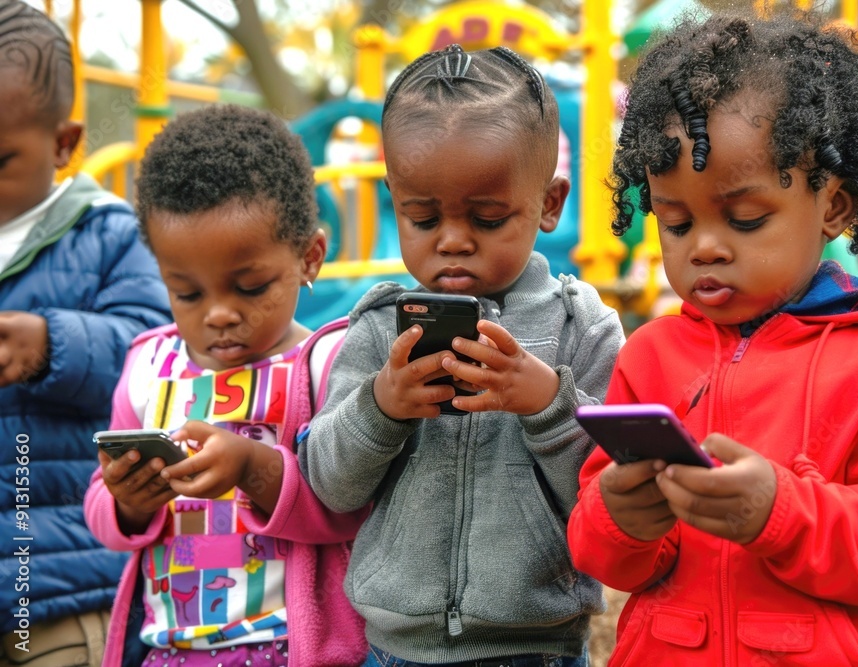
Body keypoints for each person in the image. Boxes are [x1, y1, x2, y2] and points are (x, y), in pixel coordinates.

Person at [566, 10, 858, 667]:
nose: (706, 249)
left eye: (745, 219)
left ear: (833, 207)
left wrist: (780, 511)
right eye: (676, 222)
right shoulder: (650, 356)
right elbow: (602, 551)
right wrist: (621, 518)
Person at [299, 44, 626, 667]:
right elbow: (331, 486)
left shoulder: (583, 329)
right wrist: (379, 408)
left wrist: (549, 406)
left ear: (550, 204)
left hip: (538, 648)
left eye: (487, 217)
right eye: (421, 218)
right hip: (396, 651)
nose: (452, 240)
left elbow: (611, 500)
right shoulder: (376, 328)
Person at [83, 105, 368, 667]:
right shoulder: (148, 366)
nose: (217, 314)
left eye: (250, 286)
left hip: (288, 650)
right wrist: (128, 504)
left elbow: (350, 508)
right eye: (187, 293)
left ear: (310, 256)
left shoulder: (327, 364)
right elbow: (98, 504)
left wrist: (254, 468)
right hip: (168, 650)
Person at [0, 2, 172, 665]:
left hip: (58, 578)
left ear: (64, 145)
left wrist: (50, 343)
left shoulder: (107, 236)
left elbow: (154, 351)